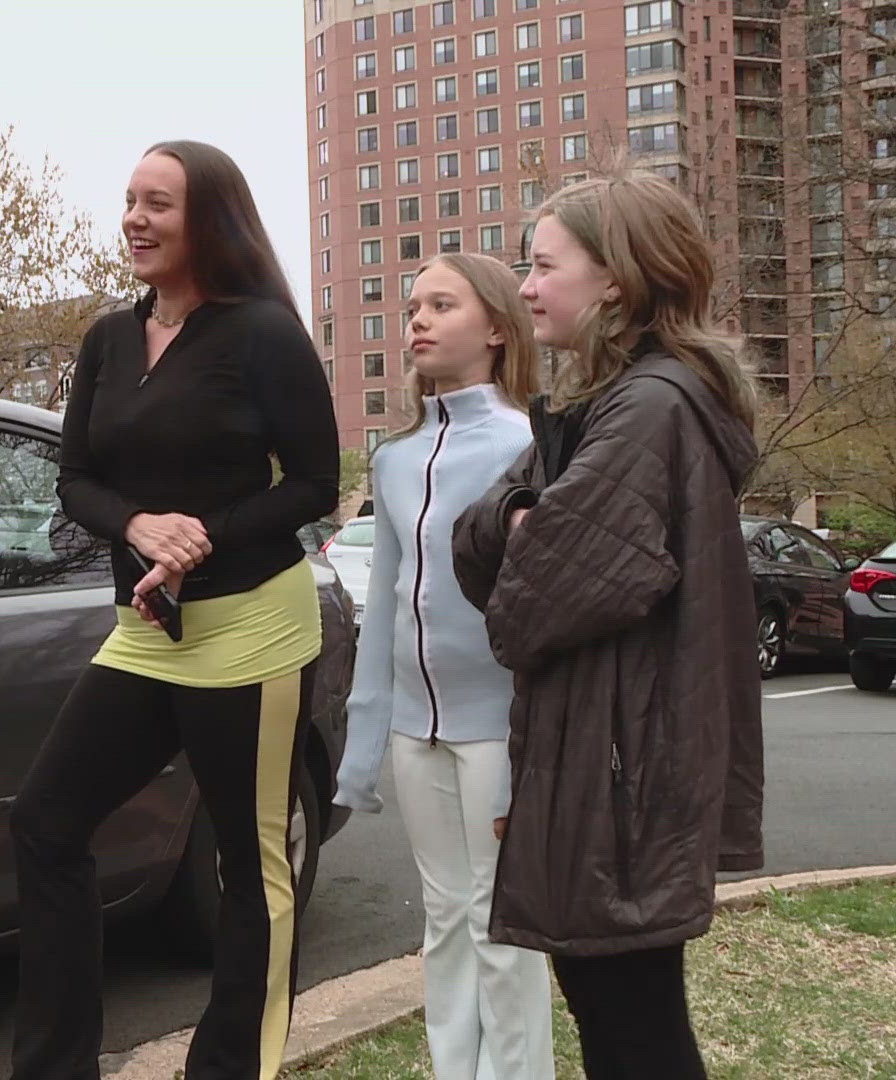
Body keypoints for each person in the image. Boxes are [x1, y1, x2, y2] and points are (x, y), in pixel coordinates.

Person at [9, 141, 340, 1080]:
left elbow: (315, 481)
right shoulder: (108, 340)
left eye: (159, 203)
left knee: (252, 865)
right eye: (128, 201)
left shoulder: (263, 333)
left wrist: (207, 534)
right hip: (148, 634)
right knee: (44, 821)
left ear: (209, 221)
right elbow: (75, 479)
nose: (136, 219)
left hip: (254, 631)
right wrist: (142, 526)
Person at [451, 172, 765, 1080]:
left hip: (622, 761)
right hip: (616, 750)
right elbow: (490, 537)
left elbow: (537, 595)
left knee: (632, 1026)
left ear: (616, 283)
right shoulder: (619, 406)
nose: (528, 287)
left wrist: (521, 523)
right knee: (621, 1015)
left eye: (545, 266)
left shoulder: (649, 408)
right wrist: (521, 513)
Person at [334, 252, 555, 1080]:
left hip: (499, 728)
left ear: (497, 328)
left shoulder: (531, 447)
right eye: (412, 306)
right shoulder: (393, 460)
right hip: (413, 731)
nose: (417, 321)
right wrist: (364, 745)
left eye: (441, 304)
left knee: (501, 922)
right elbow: (386, 605)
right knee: (443, 915)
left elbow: (544, 605)